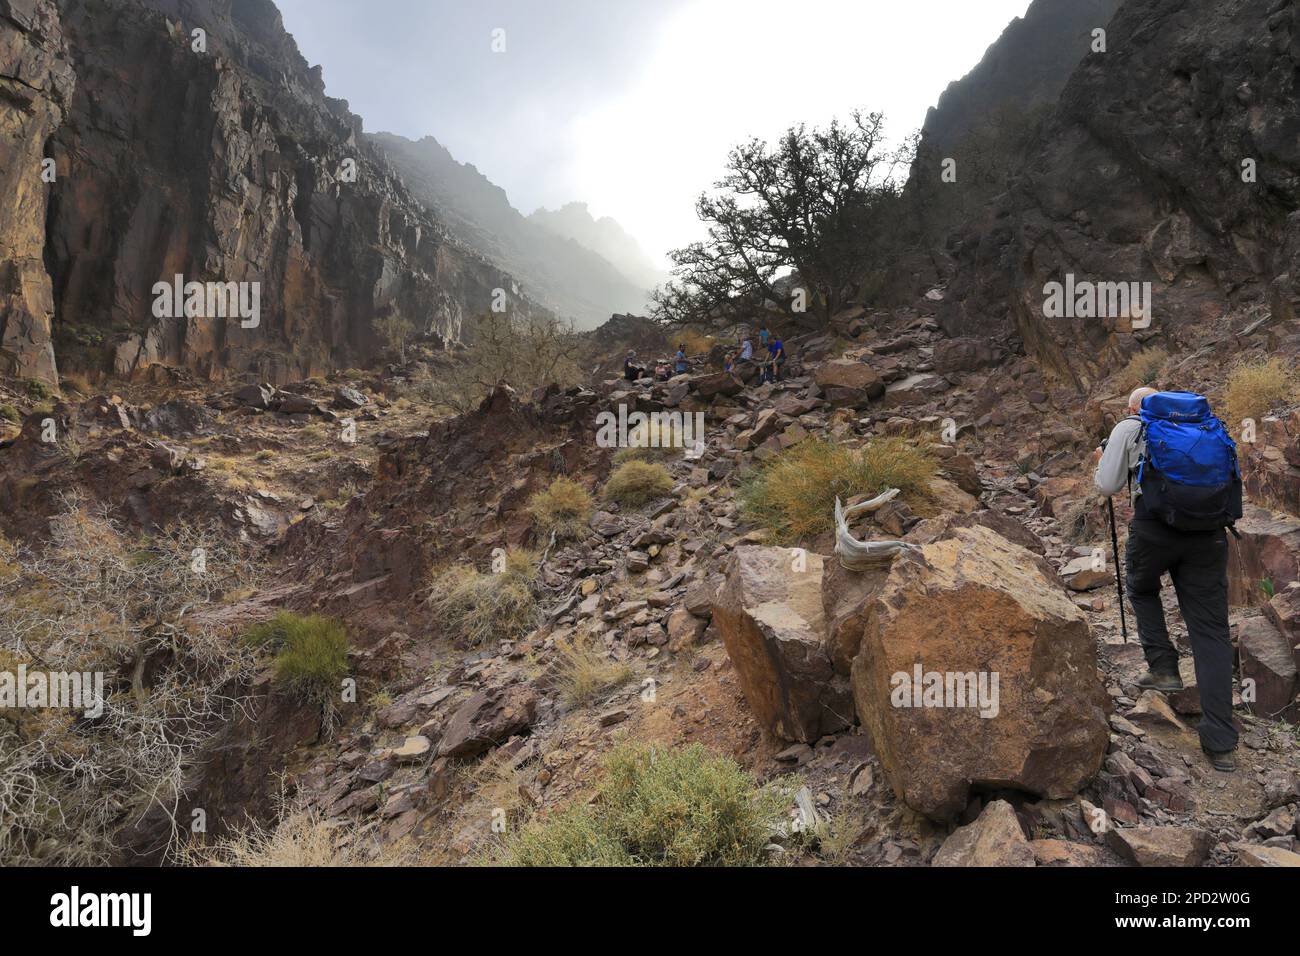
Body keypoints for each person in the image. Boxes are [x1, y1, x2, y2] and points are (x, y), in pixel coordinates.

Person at [1094, 386, 1239, 771]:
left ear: (1134, 407)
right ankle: (1221, 744)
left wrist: (1103, 459)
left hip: (1155, 530)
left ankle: (1163, 667)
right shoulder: (1208, 427)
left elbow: (1106, 485)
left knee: (1141, 588)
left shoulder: (1130, 427)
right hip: (1208, 534)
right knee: (1211, 632)